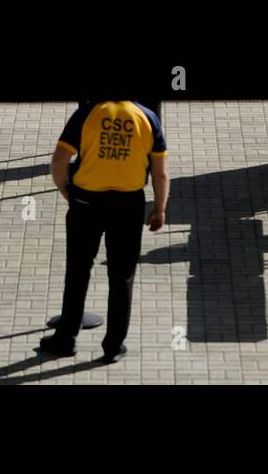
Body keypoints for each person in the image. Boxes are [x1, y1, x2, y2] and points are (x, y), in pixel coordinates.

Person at [36, 101, 170, 364]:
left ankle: (65, 339)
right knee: (122, 276)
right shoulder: (148, 117)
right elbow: (160, 172)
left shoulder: (87, 113)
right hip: (128, 205)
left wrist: (66, 191)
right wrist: (159, 208)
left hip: (86, 203)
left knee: (77, 270)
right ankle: (113, 345)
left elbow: (59, 159)